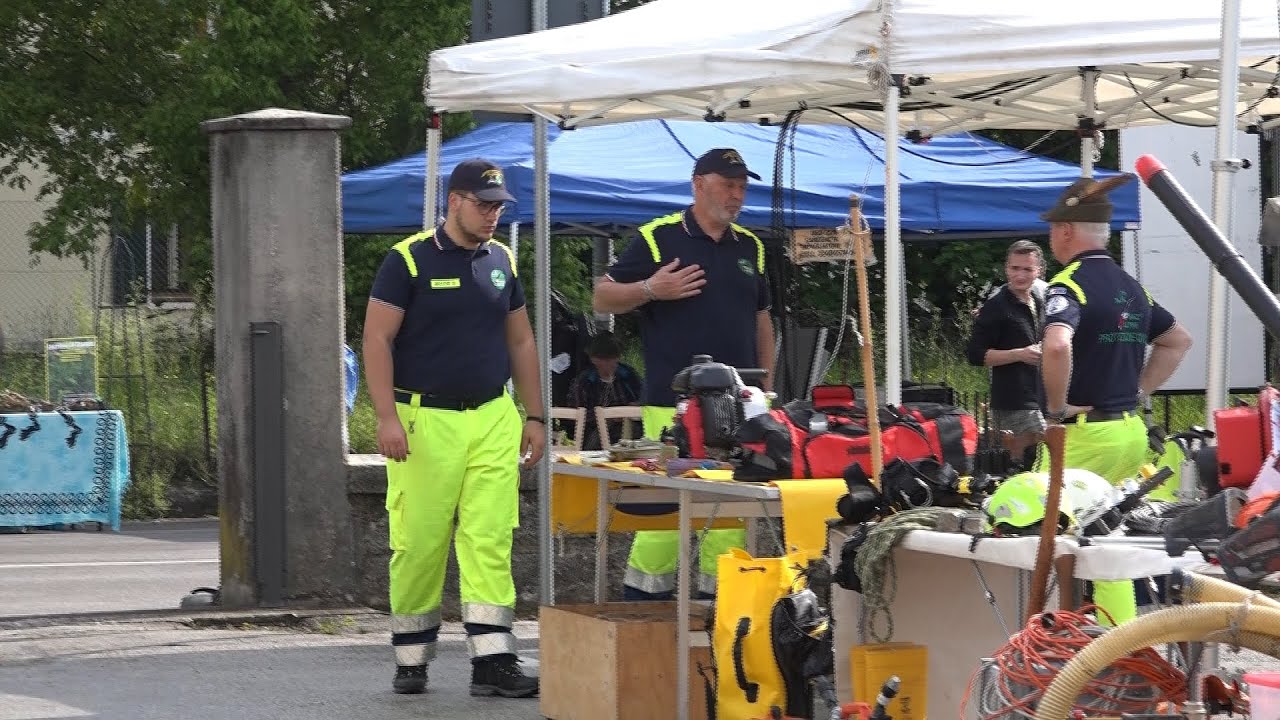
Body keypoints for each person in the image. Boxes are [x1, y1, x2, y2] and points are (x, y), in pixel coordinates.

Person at [363, 158, 545, 698]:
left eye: (498, 206)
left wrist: (534, 416)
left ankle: (493, 660)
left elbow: (522, 342)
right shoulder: (408, 261)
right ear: (455, 202)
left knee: (489, 537)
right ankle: (412, 657)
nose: (492, 214)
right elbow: (376, 339)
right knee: (420, 540)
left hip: (493, 415)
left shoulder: (501, 259)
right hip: (424, 420)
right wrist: (386, 417)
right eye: (484, 204)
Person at [593, 147, 775, 600]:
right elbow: (602, 297)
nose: (737, 196)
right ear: (698, 184)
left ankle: (719, 625)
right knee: (663, 518)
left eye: (742, 187)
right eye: (728, 185)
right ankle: (641, 613)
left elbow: (762, 321)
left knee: (730, 520)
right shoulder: (659, 238)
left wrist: (766, 387)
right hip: (673, 404)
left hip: (742, 404)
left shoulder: (751, 246)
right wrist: (652, 289)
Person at [1037, 174, 1193, 626]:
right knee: (1106, 541)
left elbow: (1057, 345)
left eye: (1053, 229)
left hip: (1086, 436)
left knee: (1033, 532)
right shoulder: (1132, 287)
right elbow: (1177, 340)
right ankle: (1117, 644)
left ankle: (1051, 644)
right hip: (1128, 431)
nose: (1051, 237)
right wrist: (1138, 392)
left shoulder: (1068, 285)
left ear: (1067, 231)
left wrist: (1055, 408)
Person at [966, 240, 1048, 442]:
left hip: (1042, 398)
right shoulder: (996, 307)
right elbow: (974, 354)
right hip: (1014, 403)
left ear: (1039, 271)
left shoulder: (1039, 300)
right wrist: (1019, 354)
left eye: (1027, 269)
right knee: (1031, 464)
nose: (1020, 275)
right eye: (1015, 268)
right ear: (1006, 269)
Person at [567, 332, 643, 450]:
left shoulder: (628, 375)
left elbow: (644, 398)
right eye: (605, 359)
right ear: (593, 359)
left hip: (631, 429)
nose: (610, 363)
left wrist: (636, 406)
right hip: (596, 433)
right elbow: (577, 414)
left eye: (614, 358)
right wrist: (608, 416)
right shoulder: (584, 382)